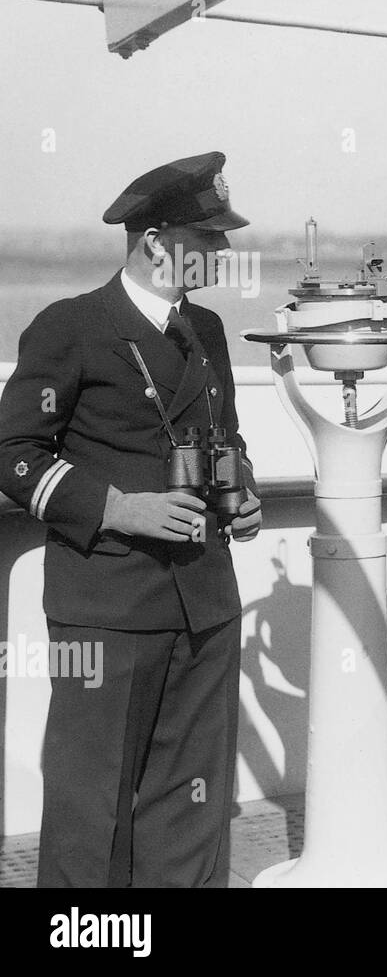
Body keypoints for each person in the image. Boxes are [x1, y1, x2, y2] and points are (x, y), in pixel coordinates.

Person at [0, 151, 262, 887]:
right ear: (155, 242)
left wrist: (240, 492)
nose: (222, 252)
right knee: (92, 808)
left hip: (204, 602)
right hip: (107, 606)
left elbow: (227, 437)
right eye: (207, 238)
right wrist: (120, 507)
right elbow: (13, 451)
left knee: (193, 809)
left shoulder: (205, 332)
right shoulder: (73, 326)